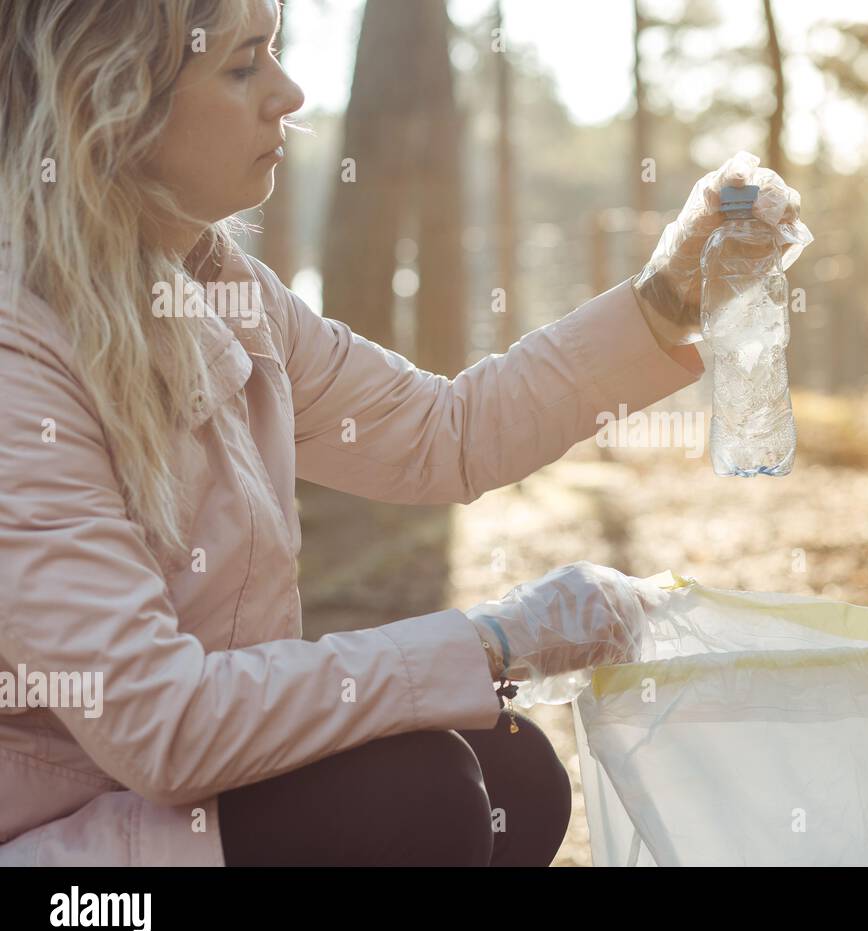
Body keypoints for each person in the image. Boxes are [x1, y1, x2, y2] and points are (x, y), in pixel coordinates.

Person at [0, 0, 805, 865]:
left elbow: (441, 432)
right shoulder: (20, 351)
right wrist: (495, 639)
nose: (289, 92)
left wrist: (668, 294)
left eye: (275, 53)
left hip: (170, 802)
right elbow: (165, 725)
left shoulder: (225, 288)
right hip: (59, 853)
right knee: (415, 800)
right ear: (113, 103)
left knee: (514, 772)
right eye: (243, 66)